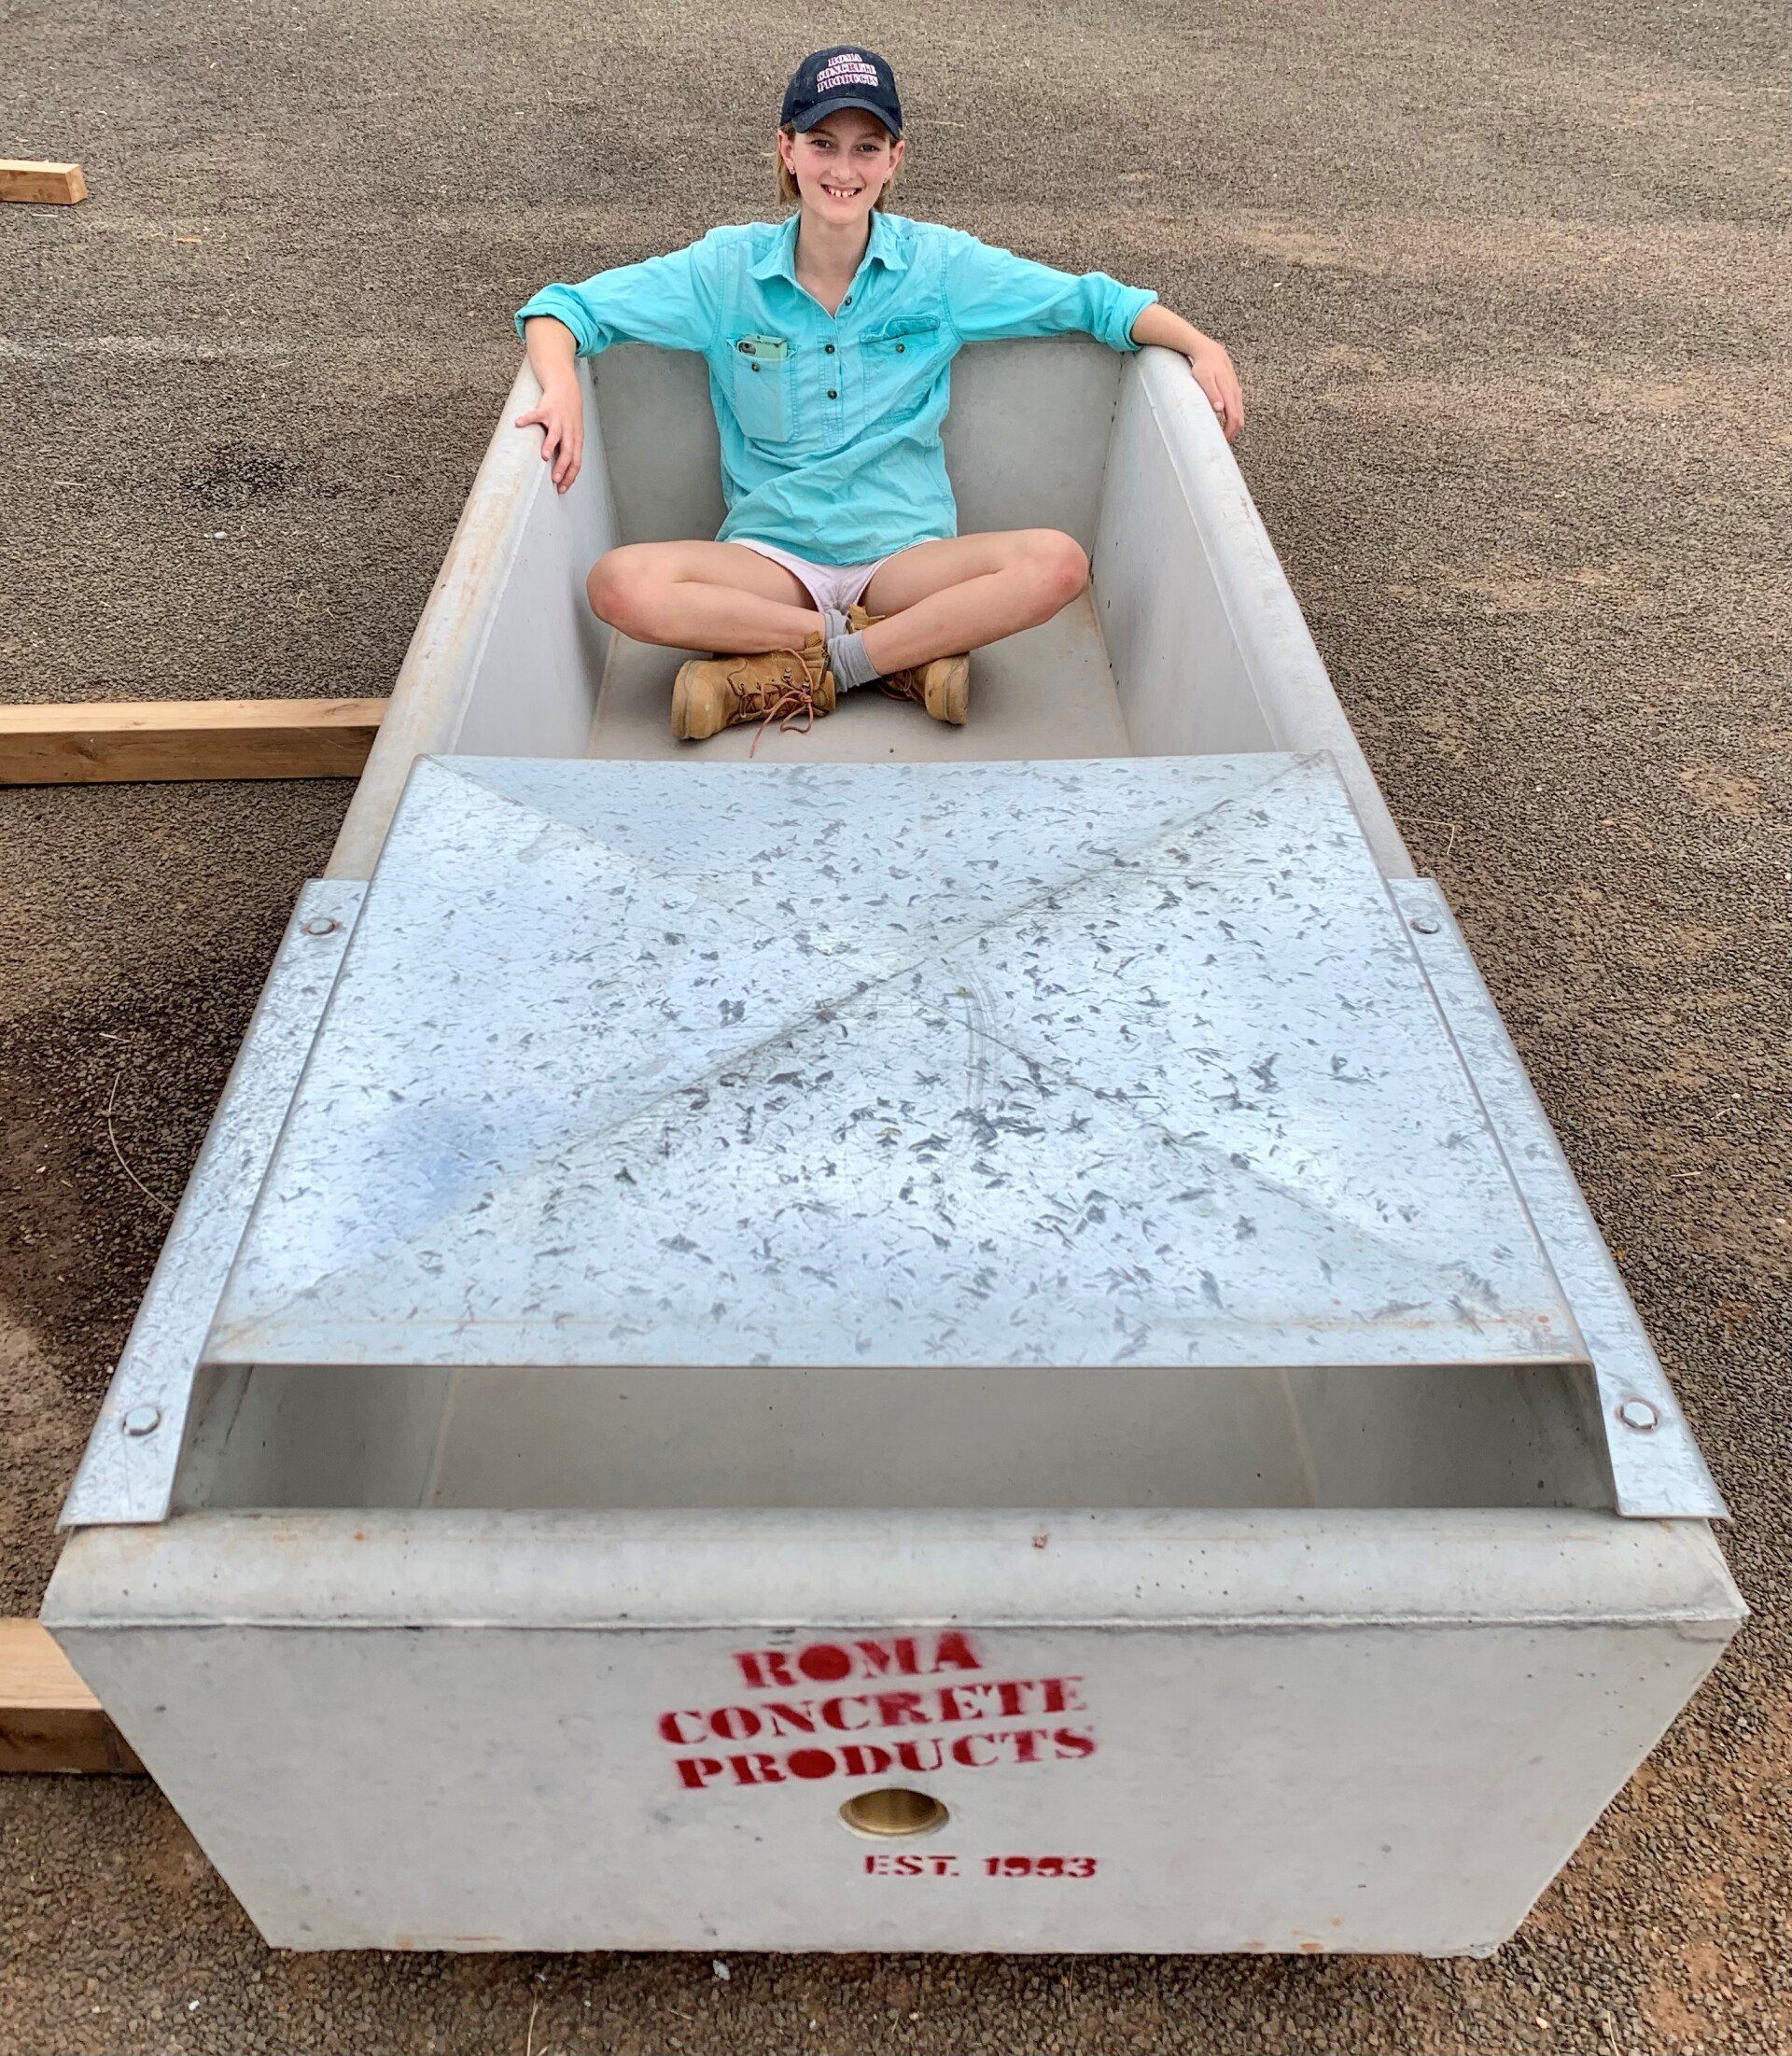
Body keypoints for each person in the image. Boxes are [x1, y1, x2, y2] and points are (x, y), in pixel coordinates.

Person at [514, 45, 1244, 742]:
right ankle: (893, 660)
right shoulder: (723, 272)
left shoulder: (940, 266)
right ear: (787, 148)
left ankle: (807, 668)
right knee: (618, 585)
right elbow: (564, 307)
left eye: (867, 146)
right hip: (772, 565)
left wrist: (1199, 342)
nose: (843, 167)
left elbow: (1093, 304)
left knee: (1056, 564)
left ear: (895, 159)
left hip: (903, 562)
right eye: (823, 142)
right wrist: (561, 389)